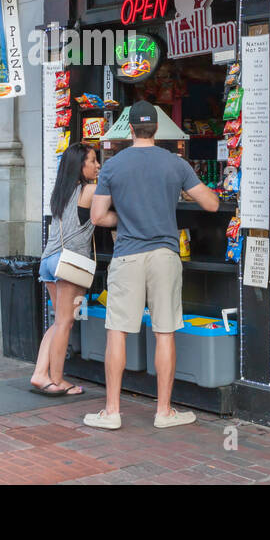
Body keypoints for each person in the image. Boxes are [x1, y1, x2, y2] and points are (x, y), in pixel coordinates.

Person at [85, 100, 220, 430]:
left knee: (117, 332)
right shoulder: (175, 163)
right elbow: (213, 204)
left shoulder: (113, 165)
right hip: (165, 255)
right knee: (164, 332)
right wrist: (179, 196)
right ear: (156, 129)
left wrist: (126, 217)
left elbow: (98, 215)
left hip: (127, 255)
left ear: (130, 129)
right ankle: (164, 412)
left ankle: (113, 412)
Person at [30, 144, 116, 397]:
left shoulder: (62, 191)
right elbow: (107, 213)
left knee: (58, 321)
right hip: (69, 263)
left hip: (49, 260)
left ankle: (39, 374)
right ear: (80, 166)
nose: (98, 165)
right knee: (66, 322)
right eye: (93, 161)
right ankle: (57, 380)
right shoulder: (90, 189)